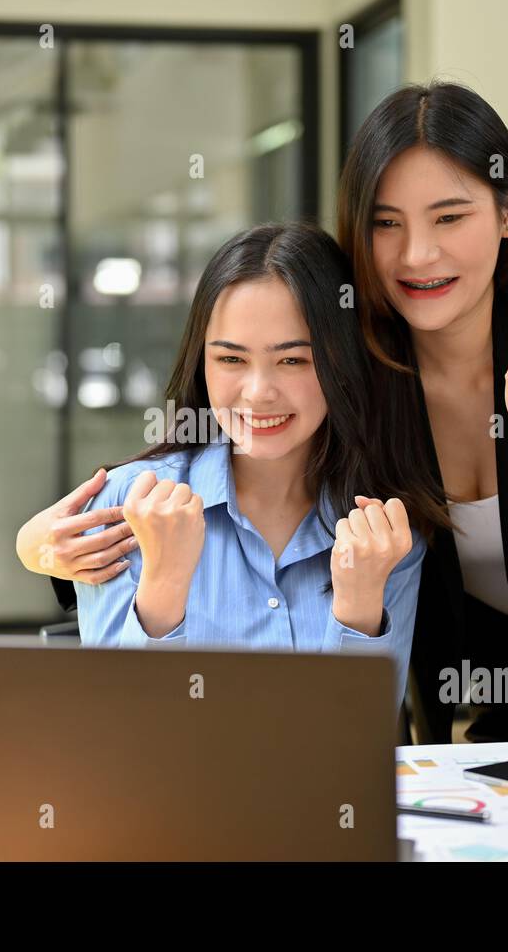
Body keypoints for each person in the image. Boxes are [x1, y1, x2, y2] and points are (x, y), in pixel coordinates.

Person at [21, 83, 508, 744]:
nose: (418, 254)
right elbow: (223, 472)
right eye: (387, 223)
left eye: (450, 216)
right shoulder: (357, 360)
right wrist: (35, 545)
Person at [42, 223, 446, 722]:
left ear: (342, 362)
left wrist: (359, 604)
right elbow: (118, 737)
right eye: (232, 358)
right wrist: (165, 583)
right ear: (202, 361)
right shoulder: (130, 506)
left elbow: (354, 741)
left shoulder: (383, 533)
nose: (258, 392)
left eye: (293, 359)